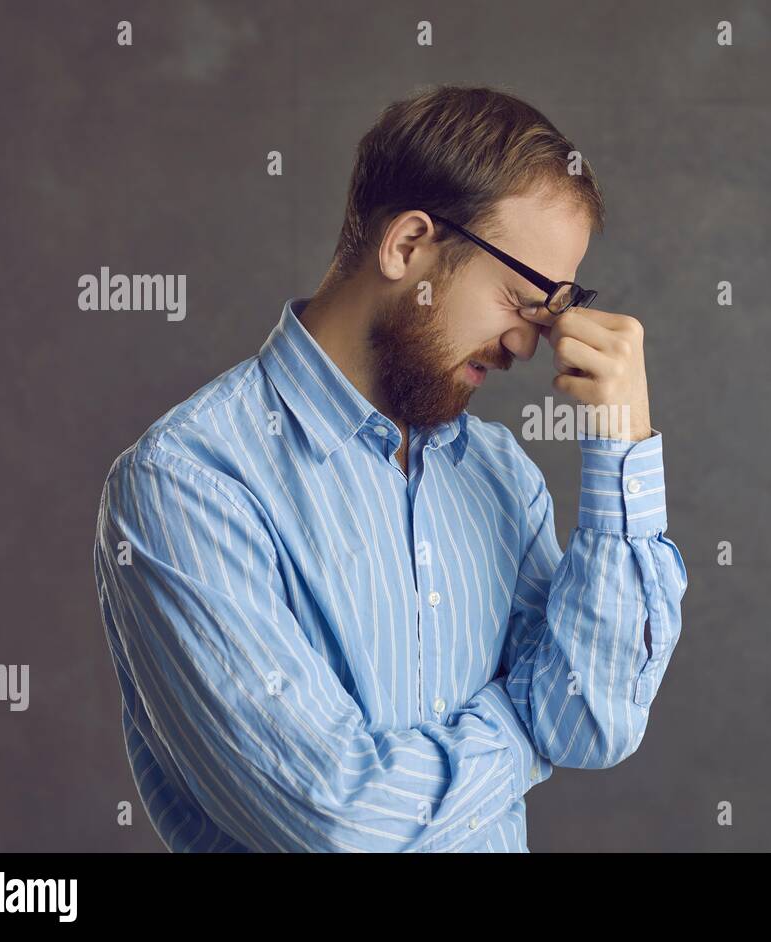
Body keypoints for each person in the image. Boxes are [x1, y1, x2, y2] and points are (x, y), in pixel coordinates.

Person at [93, 84, 687, 852]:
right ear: (408, 246)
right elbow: (342, 822)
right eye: (521, 298)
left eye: (552, 311)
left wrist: (623, 451)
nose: (527, 346)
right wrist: (520, 719)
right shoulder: (188, 485)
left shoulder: (501, 475)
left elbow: (594, 719)